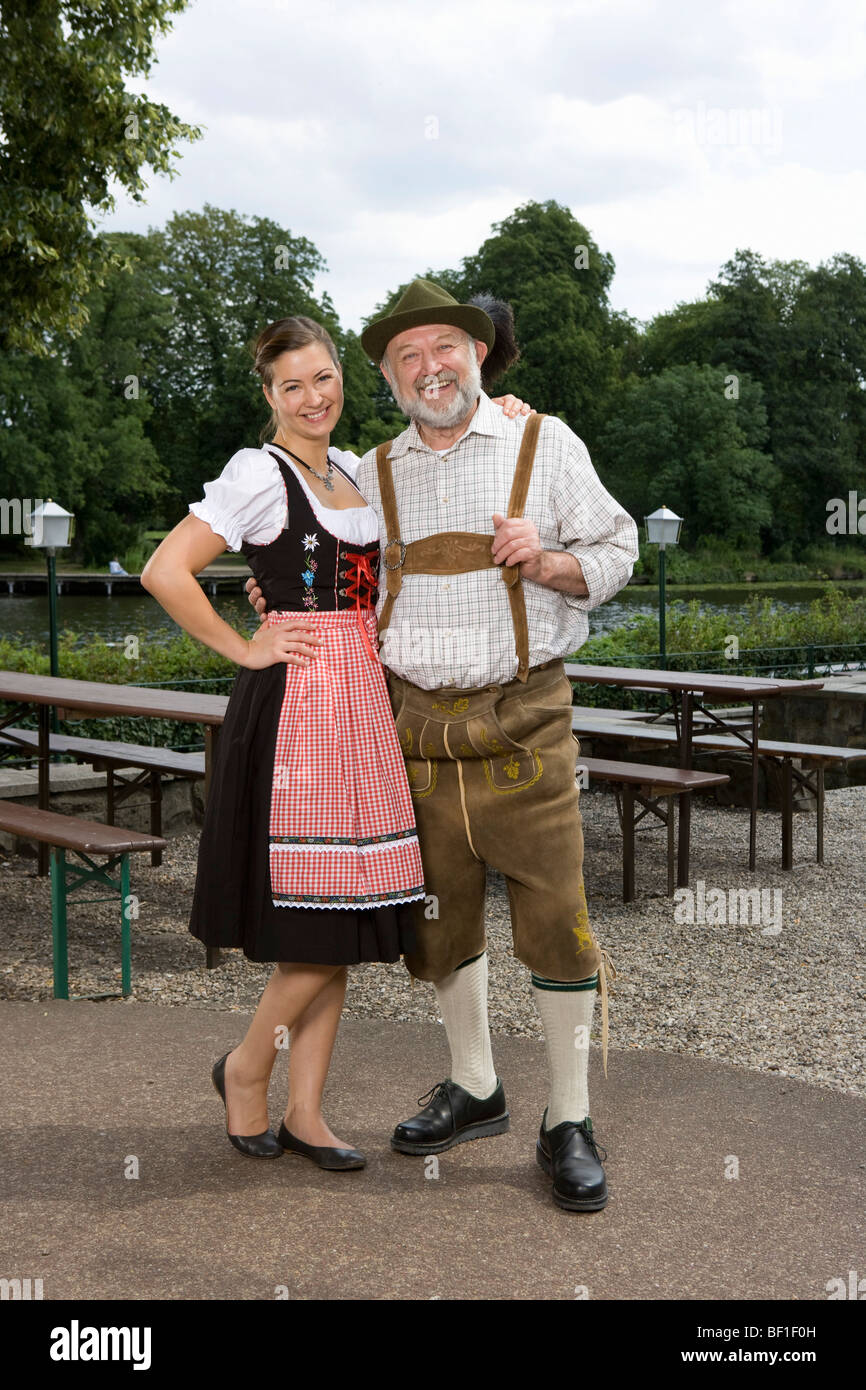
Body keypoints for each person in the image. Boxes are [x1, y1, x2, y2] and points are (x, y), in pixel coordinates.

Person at [248, 279, 639, 1210]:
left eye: (446, 347)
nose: (431, 367)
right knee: (439, 918)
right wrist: (275, 604)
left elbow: (620, 546)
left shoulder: (544, 442)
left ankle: (568, 1119)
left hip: (523, 726)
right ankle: (475, 1086)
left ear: (478, 353)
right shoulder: (370, 470)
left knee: (557, 921)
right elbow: (325, 564)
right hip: (411, 733)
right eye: (407, 356)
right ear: (386, 377)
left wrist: (549, 561)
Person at [141, 312, 531, 1169]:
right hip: (298, 710)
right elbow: (164, 570)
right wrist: (247, 644)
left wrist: (502, 413)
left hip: (363, 702)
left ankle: (307, 1110)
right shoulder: (258, 471)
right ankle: (248, 1070)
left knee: (346, 913)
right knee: (317, 921)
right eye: (292, 385)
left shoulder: (355, 468)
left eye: (323, 378)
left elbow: (440, 457)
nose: (312, 397)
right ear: (270, 394)